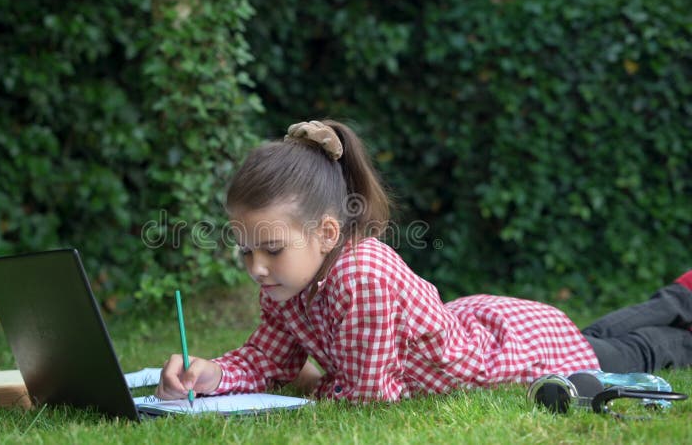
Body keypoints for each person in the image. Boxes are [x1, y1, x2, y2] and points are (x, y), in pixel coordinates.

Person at [155, 119, 692, 402]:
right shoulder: (289, 285)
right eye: (245, 249)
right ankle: (679, 294)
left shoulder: (359, 275)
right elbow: (269, 359)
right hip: (483, 321)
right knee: (599, 333)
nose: (256, 268)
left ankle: (680, 308)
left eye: (271, 249)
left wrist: (309, 384)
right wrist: (213, 374)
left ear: (326, 233)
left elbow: (369, 396)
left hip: (519, 354)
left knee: (626, 351)